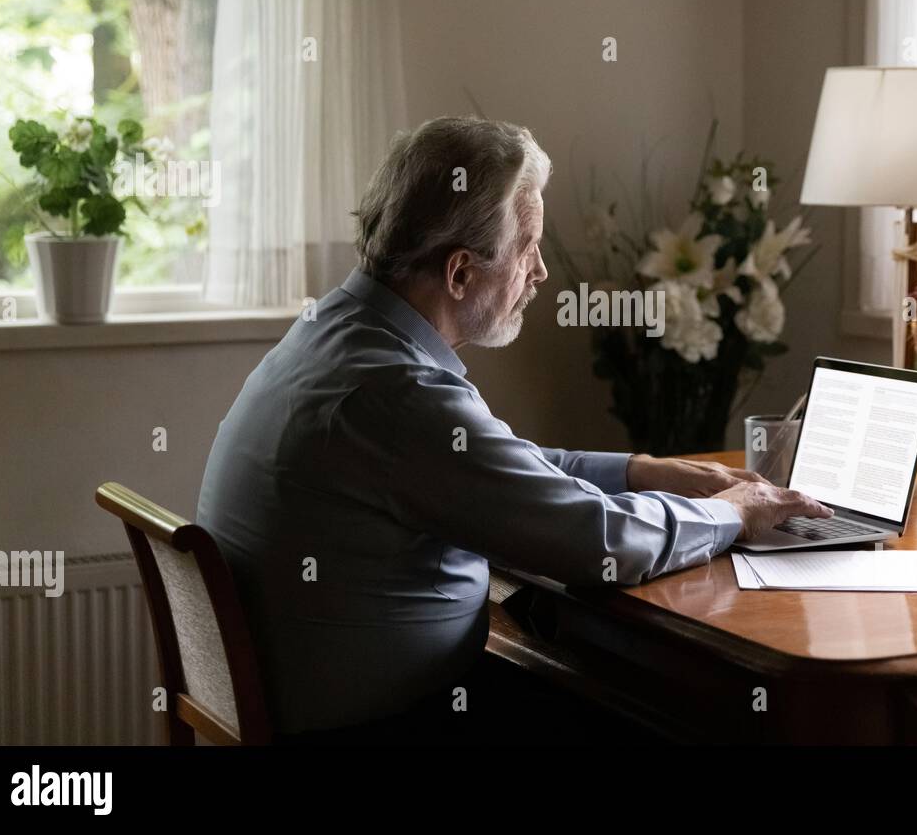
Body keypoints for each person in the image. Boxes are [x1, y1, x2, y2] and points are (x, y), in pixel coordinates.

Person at [196, 115, 831, 742]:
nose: (542, 273)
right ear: (460, 272)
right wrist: (736, 512)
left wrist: (638, 469)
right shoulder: (398, 392)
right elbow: (601, 543)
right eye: (529, 250)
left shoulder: (335, 330)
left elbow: (490, 466)